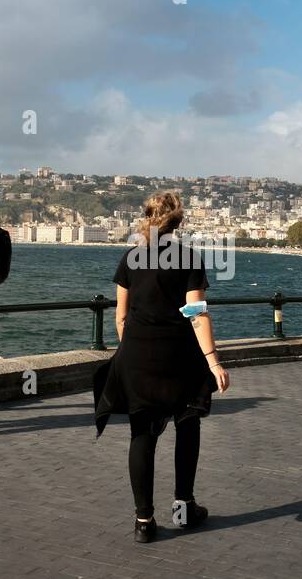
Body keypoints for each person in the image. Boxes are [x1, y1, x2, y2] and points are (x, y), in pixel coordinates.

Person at [93, 192, 230, 543]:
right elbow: (196, 314)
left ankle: (144, 521)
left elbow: (121, 316)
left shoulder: (131, 256)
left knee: (142, 433)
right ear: (179, 221)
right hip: (179, 356)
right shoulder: (188, 258)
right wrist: (213, 361)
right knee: (187, 423)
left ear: (147, 218)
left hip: (137, 354)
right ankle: (185, 507)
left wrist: (132, 349)